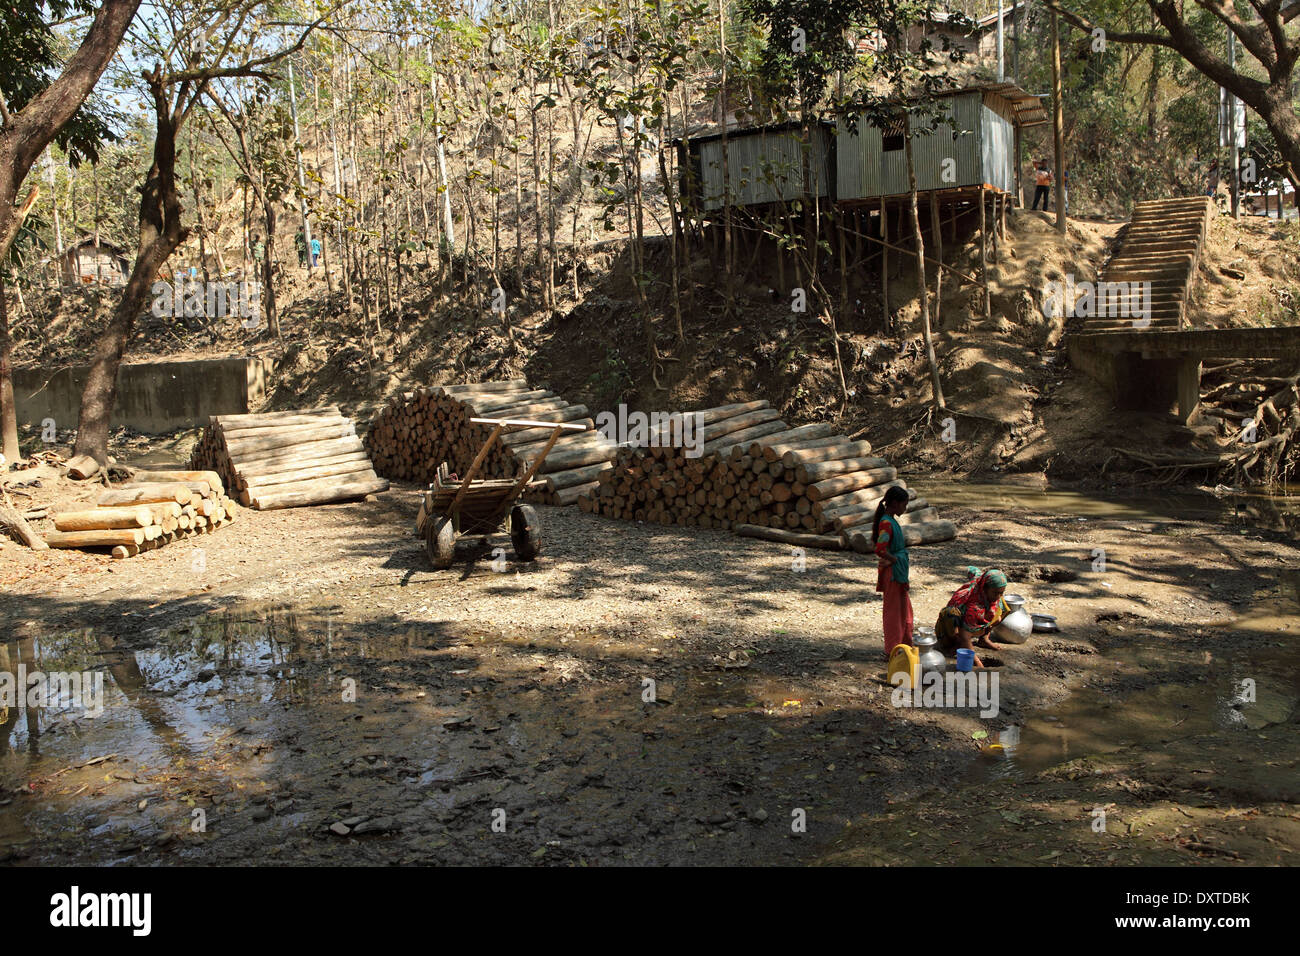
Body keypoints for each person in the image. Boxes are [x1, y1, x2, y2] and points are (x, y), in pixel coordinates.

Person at [934, 567, 1010, 668]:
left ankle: (984, 639)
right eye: (996, 593)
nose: (998, 596)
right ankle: (953, 644)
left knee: (1001, 609)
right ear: (985, 588)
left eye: (1001, 592)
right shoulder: (974, 606)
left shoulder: (991, 595)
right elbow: (965, 636)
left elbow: (973, 570)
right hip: (952, 626)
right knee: (951, 616)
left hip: (971, 623)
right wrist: (977, 662)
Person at [873, 485, 913, 656]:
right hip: (893, 574)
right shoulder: (886, 523)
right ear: (895, 503)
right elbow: (880, 549)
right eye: (904, 504)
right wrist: (894, 560)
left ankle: (904, 645)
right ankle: (893, 650)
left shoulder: (891, 520)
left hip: (898, 572)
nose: (905, 508)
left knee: (905, 612)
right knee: (893, 614)